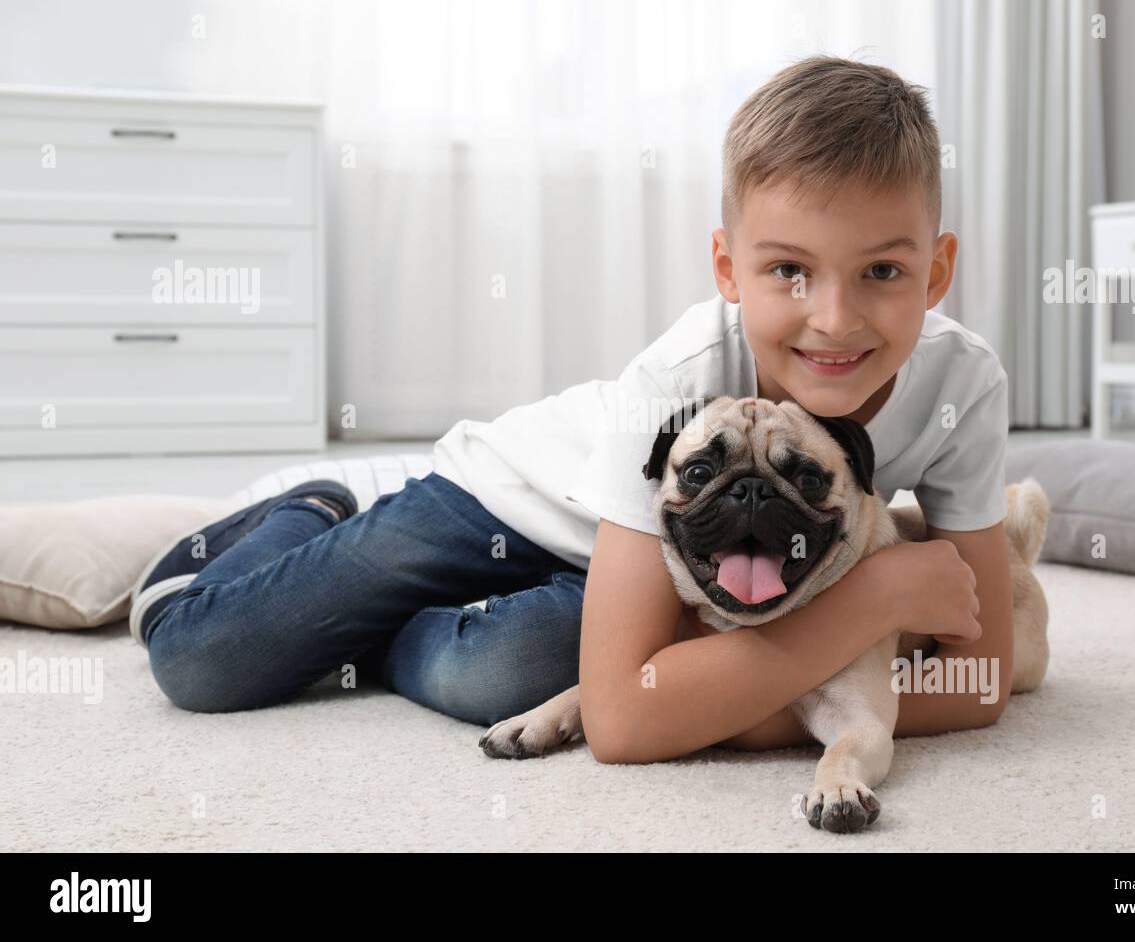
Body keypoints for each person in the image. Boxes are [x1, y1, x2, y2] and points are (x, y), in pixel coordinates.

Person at [137, 56, 1008, 765]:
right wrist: (870, 605)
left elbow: (985, 680)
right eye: (788, 270)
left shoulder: (965, 387)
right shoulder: (676, 377)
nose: (834, 317)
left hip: (646, 576)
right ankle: (309, 513)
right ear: (726, 267)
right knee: (199, 662)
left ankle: (379, 630)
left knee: (518, 671)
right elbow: (629, 726)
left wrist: (744, 713)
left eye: (882, 272)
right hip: (497, 499)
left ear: (936, 272)